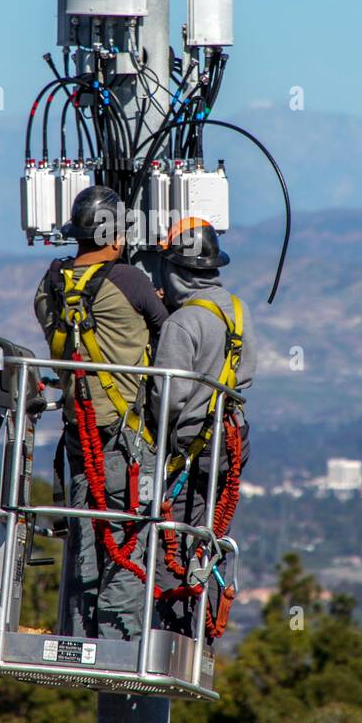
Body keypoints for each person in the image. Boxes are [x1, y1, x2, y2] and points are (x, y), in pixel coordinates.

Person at [34, 185, 168, 642]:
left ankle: (77, 638)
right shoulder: (129, 280)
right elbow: (165, 328)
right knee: (128, 539)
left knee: (84, 534)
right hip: (125, 438)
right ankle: (118, 644)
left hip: (78, 430)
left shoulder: (49, 285)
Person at [150, 217, 257, 637]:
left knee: (170, 541)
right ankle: (200, 627)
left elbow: (168, 397)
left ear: (175, 271)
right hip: (232, 438)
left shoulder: (183, 324)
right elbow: (244, 374)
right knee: (208, 538)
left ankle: (166, 632)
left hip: (192, 447)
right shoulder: (237, 309)